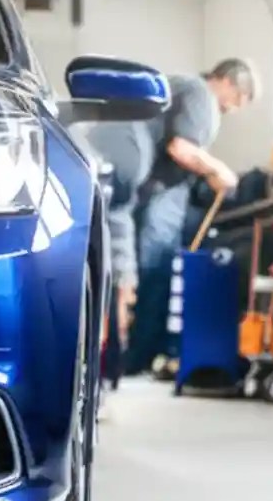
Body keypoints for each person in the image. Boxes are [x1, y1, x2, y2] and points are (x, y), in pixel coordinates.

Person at [83, 58, 260, 384]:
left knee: (109, 260)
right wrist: (218, 170)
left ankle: (110, 357)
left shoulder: (174, 89)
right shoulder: (200, 93)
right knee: (147, 265)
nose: (229, 111)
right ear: (227, 83)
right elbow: (181, 148)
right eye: (233, 103)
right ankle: (129, 359)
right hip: (126, 165)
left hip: (108, 162)